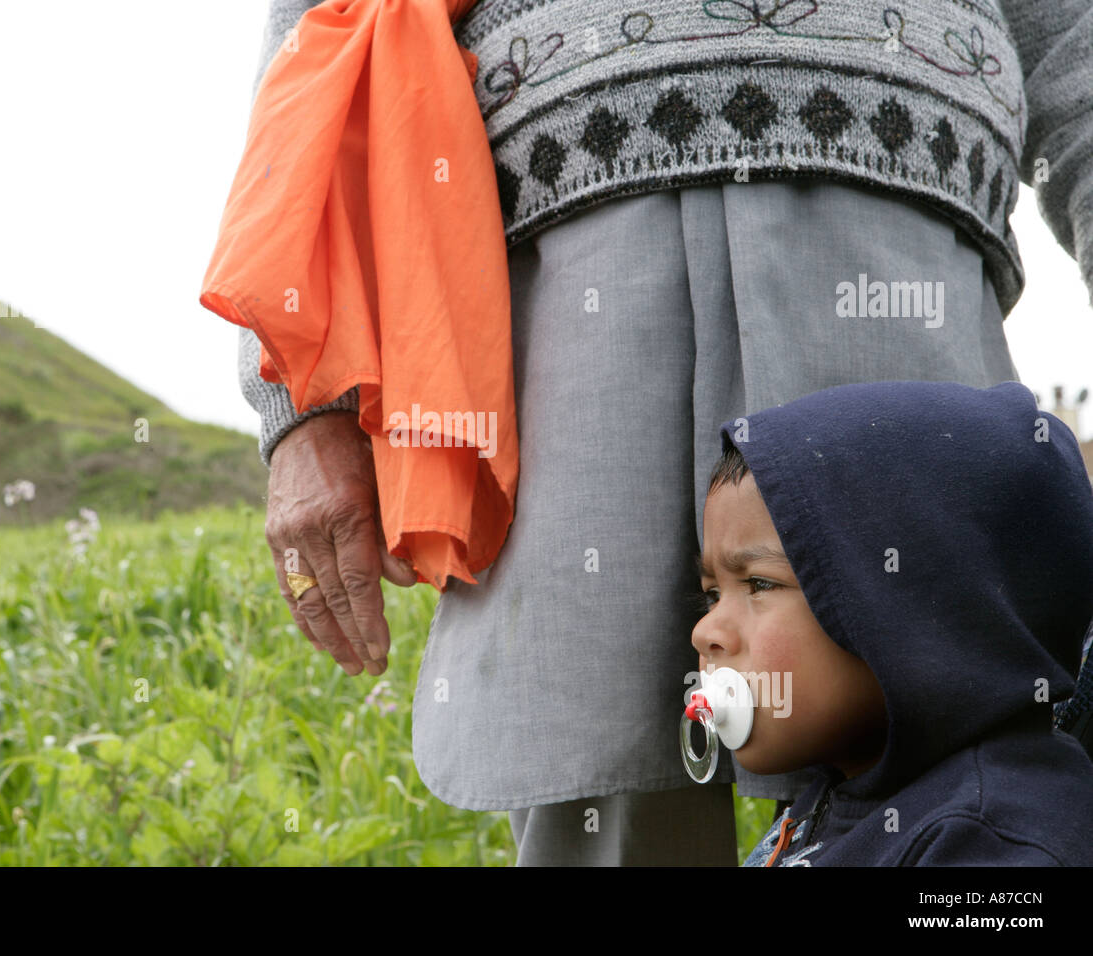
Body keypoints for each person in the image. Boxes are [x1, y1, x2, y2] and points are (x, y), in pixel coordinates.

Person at [236, 0, 1093, 864]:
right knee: (604, 801)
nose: (706, 631)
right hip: (562, 294)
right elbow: (318, 53)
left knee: (963, 773)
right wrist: (303, 405)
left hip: (911, 252)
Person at [691, 379, 1093, 866]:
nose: (705, 631)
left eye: (758, 584)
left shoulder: (992, 838)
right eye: (712, 594)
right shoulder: (838, 793)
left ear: (917, 611)